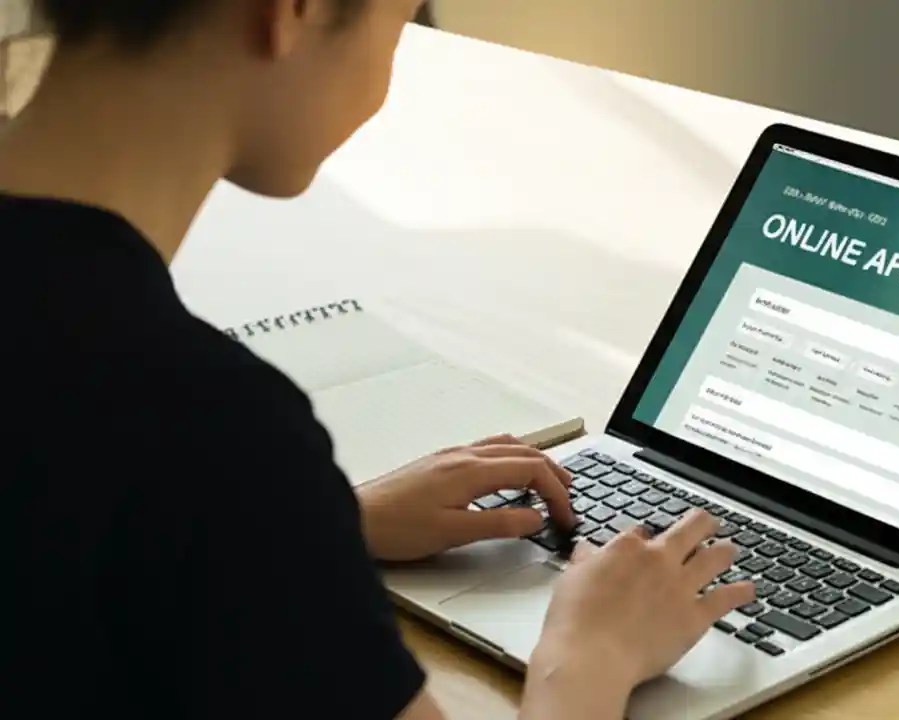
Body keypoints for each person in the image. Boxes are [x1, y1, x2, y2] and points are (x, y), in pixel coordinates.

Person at [1, 1, 755, 718]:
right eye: (401, 21)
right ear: (291, 11)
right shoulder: (206, 429)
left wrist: (312, 526)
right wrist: (589, 659)